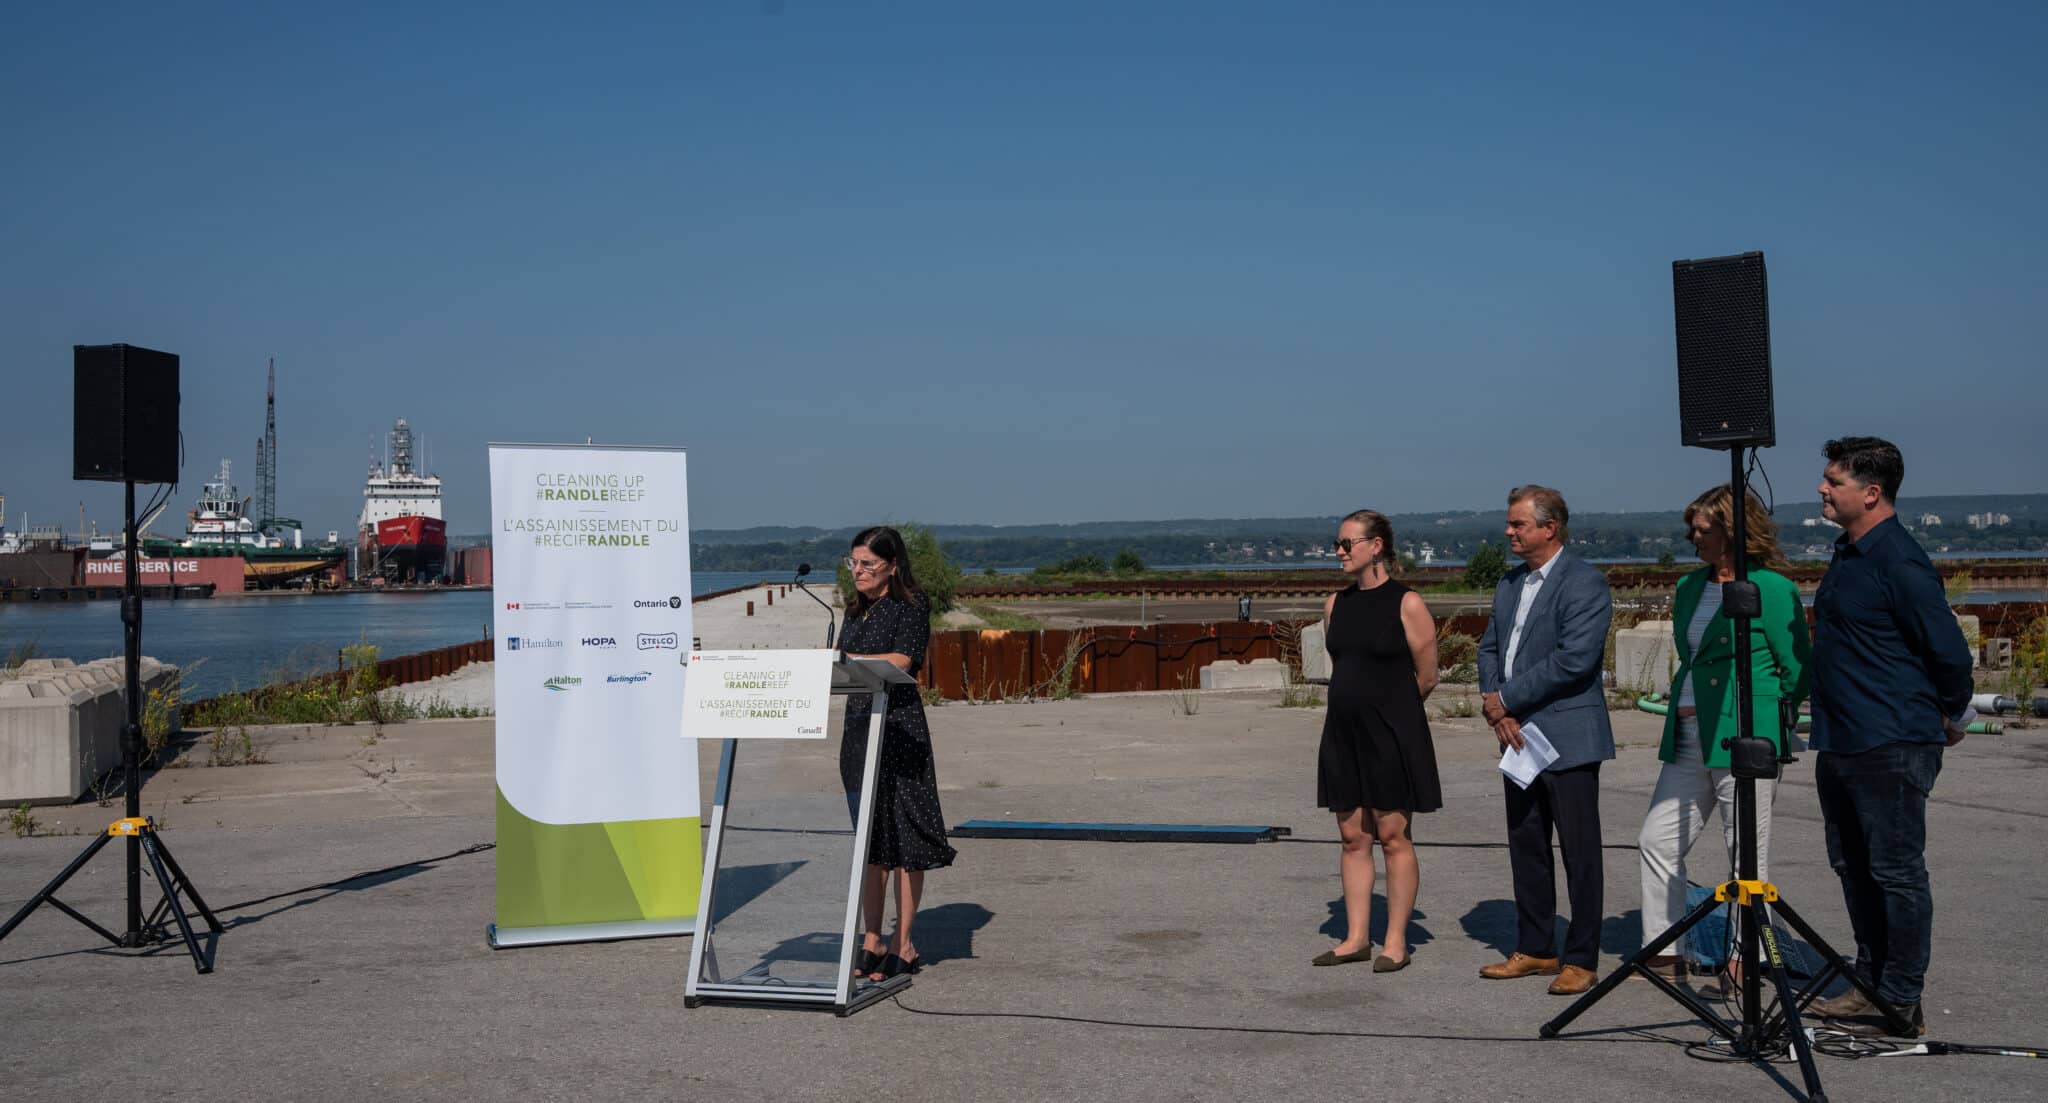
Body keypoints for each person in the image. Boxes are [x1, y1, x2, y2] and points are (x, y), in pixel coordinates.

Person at [1803, 437, 1975, 1038]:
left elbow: (1949, 653)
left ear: (1871, 493)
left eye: (1835, 481)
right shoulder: (1848, 553)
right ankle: (1869, 981)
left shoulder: (1900, 560)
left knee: (1895, 871)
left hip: (1891, 739)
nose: (1822, 489)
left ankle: (1900, 997)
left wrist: (1950, 715)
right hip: (1841, 738)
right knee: (1852, 867)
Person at [1635, 485, 1809, 983]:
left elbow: (1797, 668)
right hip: (1689, 733)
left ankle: (1744, 956)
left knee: (1746, 854)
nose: (1693, 538)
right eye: (1691, 529)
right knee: (1657, 839)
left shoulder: (1771, 589)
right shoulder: (1691, 586)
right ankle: (1665, 950)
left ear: (1733, 531)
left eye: (1703, 530)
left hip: (1745, 735)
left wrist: (1769, 714)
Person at [1476, 485, 1615, 995]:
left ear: (1549, 528)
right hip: (1516, 736)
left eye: (1518, 524)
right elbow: (1490, 648)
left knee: (1579, 852)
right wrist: (1498, 705)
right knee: (1527, 843)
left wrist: (1505, 698)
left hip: (1568, 735)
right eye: (1510, 523)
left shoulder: (1584, 583)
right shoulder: (1509, 583)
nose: (1509, 532)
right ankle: (1536, 947)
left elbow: (1573, 660)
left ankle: (1581, 957)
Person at [1313, 510, 1443, 973]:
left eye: (1347, 543)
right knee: (1353, 836)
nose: (1339, 551)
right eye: (1337, 543)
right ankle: (1355, 938)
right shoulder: (1335, 603)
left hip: (1391, 733)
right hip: (1343, 733)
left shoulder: (1407, 603)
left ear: (1376, 546)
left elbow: (1426, 676)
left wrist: (1391, 711)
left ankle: (1395, 942)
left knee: (1392, 836)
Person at [837, 526, 957, 982]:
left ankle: (904, 943)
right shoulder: (854, 610)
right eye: (854, 563)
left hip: (900, 731)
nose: (858, 571)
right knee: (871, 844)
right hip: (858, 731)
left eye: (867, 564)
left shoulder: (912, 604)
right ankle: (872, 938)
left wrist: (848, 661)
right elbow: (841, 660)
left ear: (891, 566)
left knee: (906, 842)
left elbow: (903, 660)